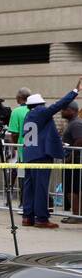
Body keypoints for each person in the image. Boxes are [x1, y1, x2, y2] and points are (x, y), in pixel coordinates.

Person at [19, 80, 82, 229]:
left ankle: (27, 217)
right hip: (40, 156)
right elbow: (59, 104)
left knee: (29, 187)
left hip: (29, 154)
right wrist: (75, 91)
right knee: (41, 187)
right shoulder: (41, 112)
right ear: (40, 105)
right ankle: (41, 218)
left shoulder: (29, 115)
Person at [62, 102, 82, 222]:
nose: (61, 112)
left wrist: (70, 158)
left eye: (64, 110)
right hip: (74, 161)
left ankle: (76, 215)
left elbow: (80, 140)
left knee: (72, 189)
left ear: (71, 110)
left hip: (75, 162)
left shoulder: (76, 124)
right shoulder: (74, 123)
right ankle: (77, 214)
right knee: (73, 188)